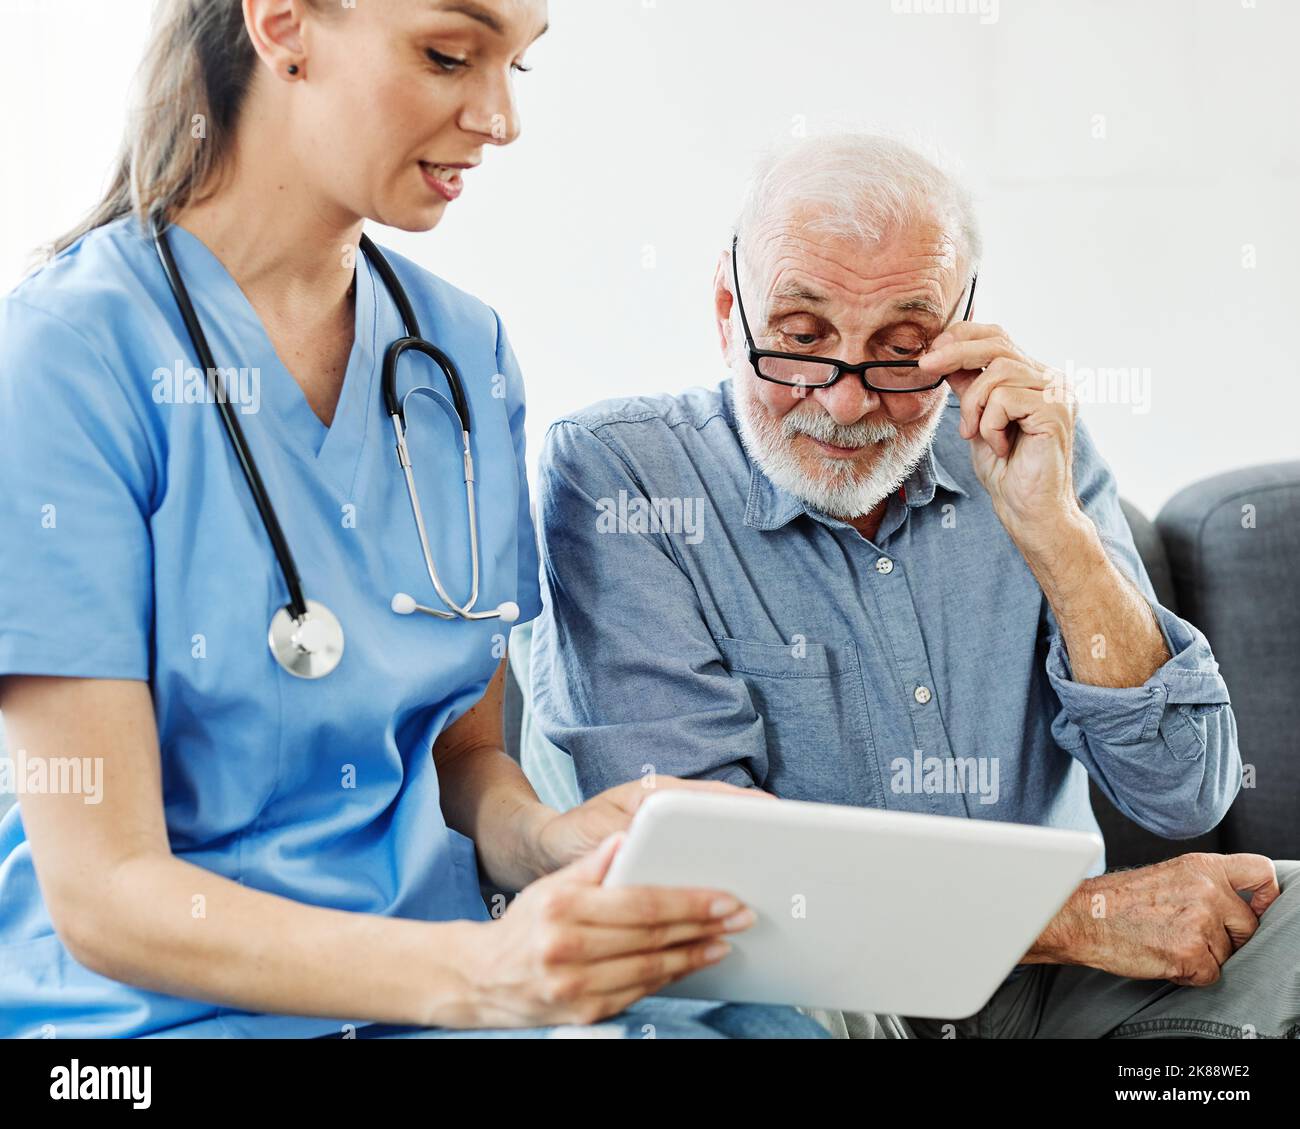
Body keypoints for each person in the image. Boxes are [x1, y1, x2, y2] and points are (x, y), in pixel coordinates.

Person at [0, 0, 827, 1041]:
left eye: (514, 68)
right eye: (448, 55)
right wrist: (482, 969)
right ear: (283, 23)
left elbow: (457, 758)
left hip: (441, 997)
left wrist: (550, 840)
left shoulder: (461, 356)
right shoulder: (70, 355)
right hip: (156, 1019)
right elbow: (107, 893)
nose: (498, 118)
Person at [528, 132, 1300, 1039]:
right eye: (801, 338)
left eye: (901, 350)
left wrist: (1056, 536)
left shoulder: (1029, 449)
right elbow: (708, 882)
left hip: (1050, 994)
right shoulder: (623, 474)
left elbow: (1183, 793)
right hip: (812, 984)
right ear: (727, 311)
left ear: (963, 331)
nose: (844, 401)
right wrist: (1081, 919)